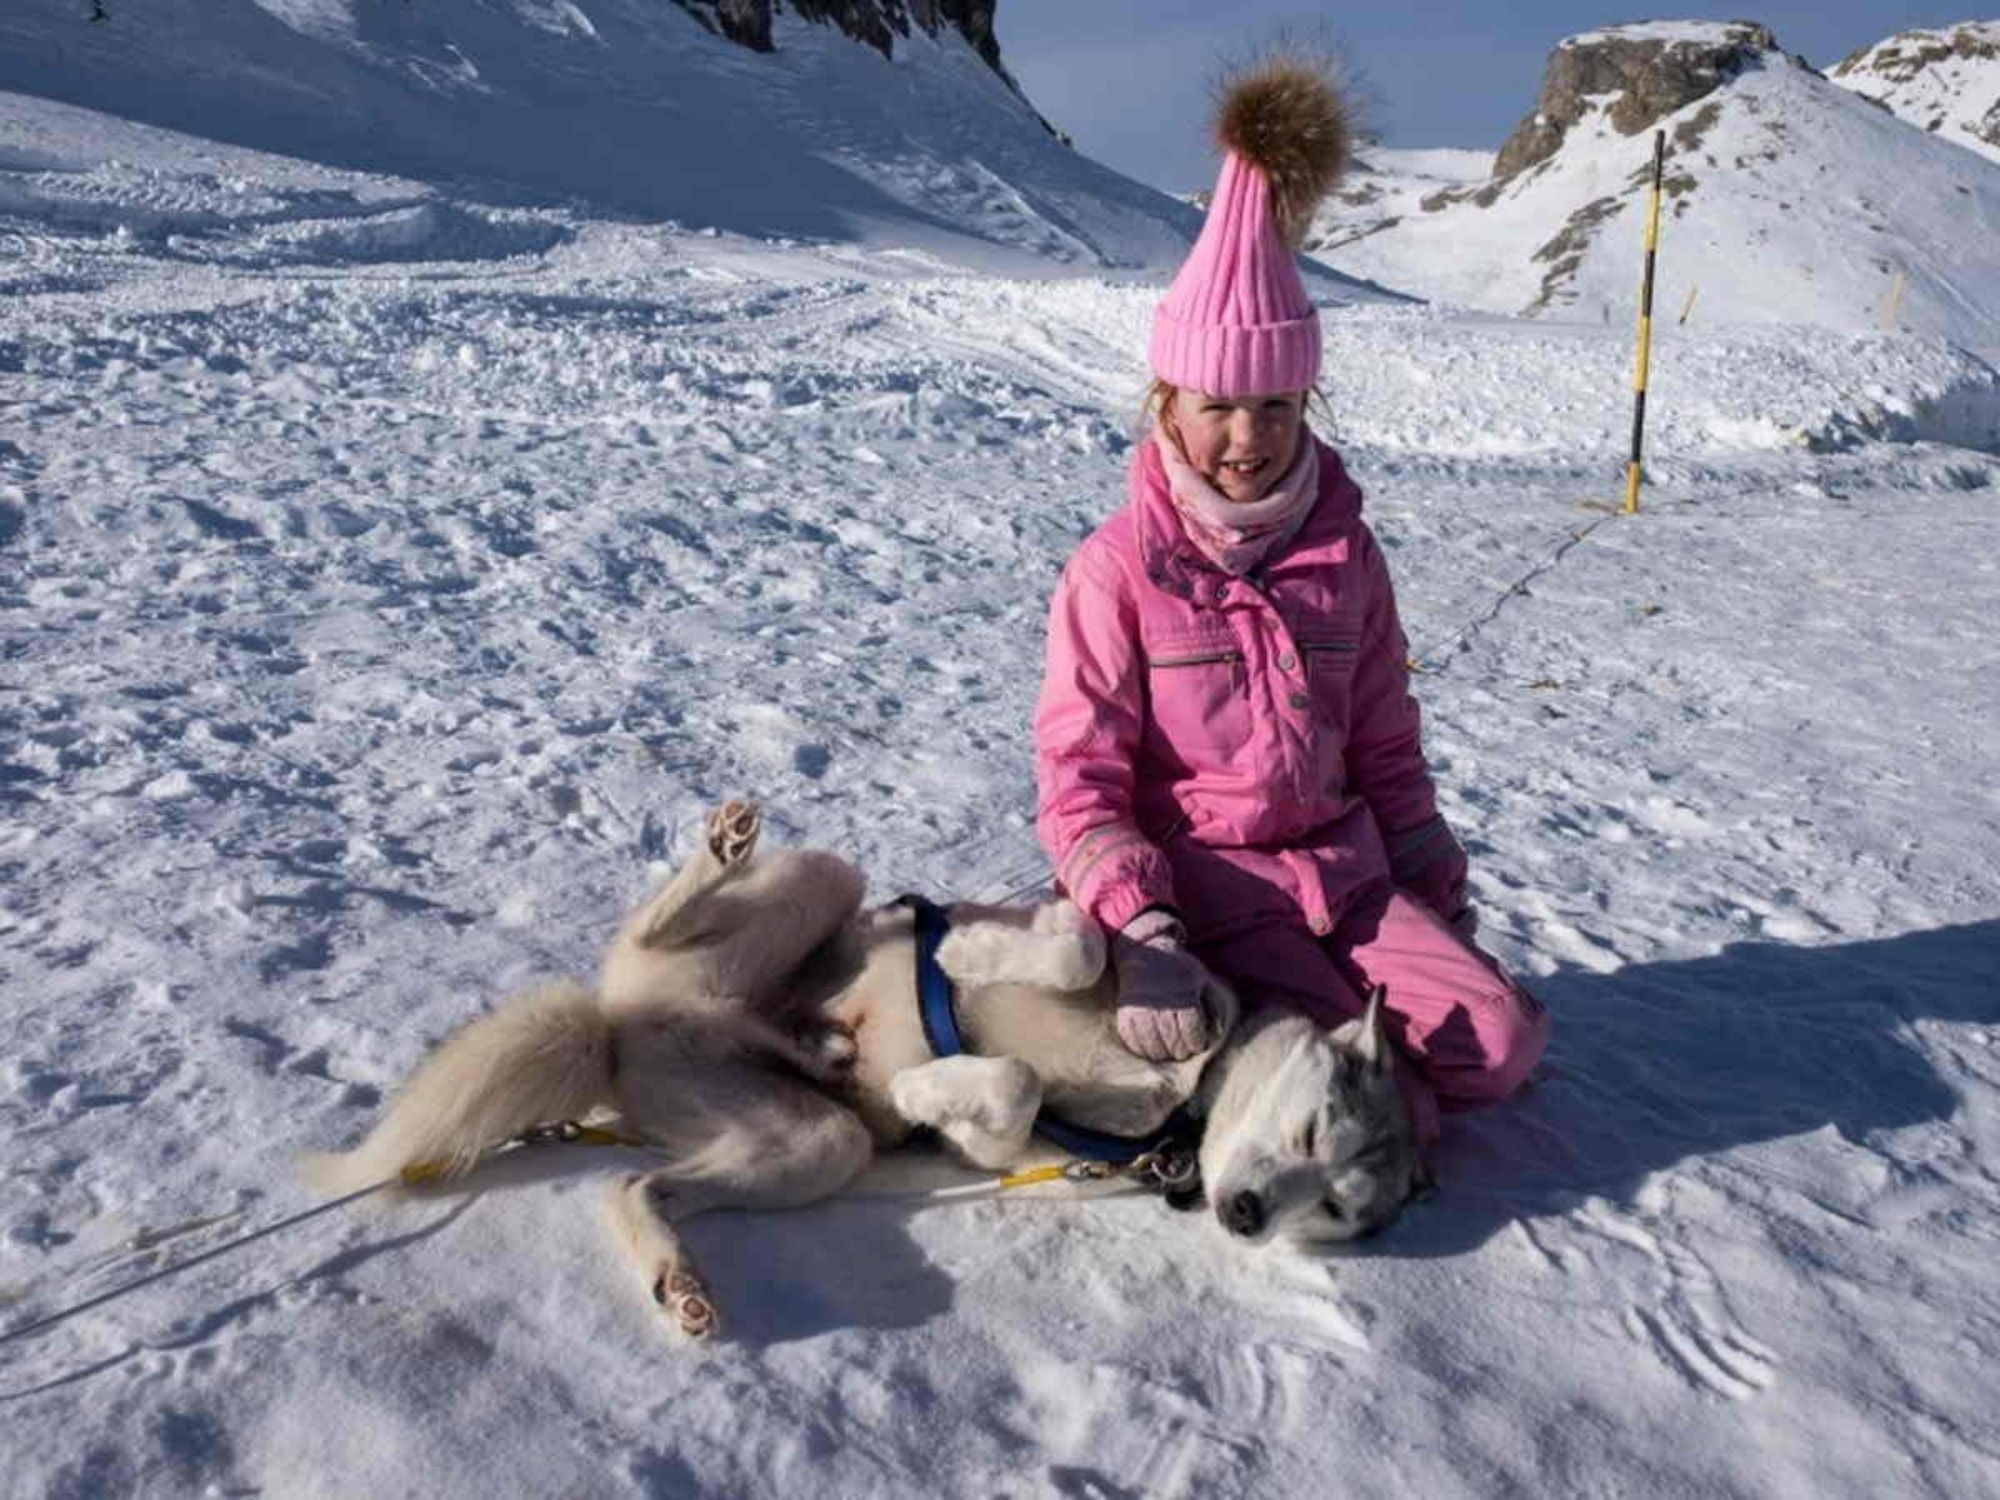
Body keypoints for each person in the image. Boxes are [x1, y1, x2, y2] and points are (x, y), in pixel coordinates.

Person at [1033, 57, 1547, 1144]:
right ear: (1165, 399)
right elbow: (1079, 784)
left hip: (1344, 878)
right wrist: (1144, 926)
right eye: (1218, 404)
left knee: (1496, 1048)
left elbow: (1385, 750)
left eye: (1273, 402)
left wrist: (1435, 900)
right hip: (1206, 905)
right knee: (1365, 1106)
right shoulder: (1115, 568)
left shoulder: (1344, 557)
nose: (1246, 437)